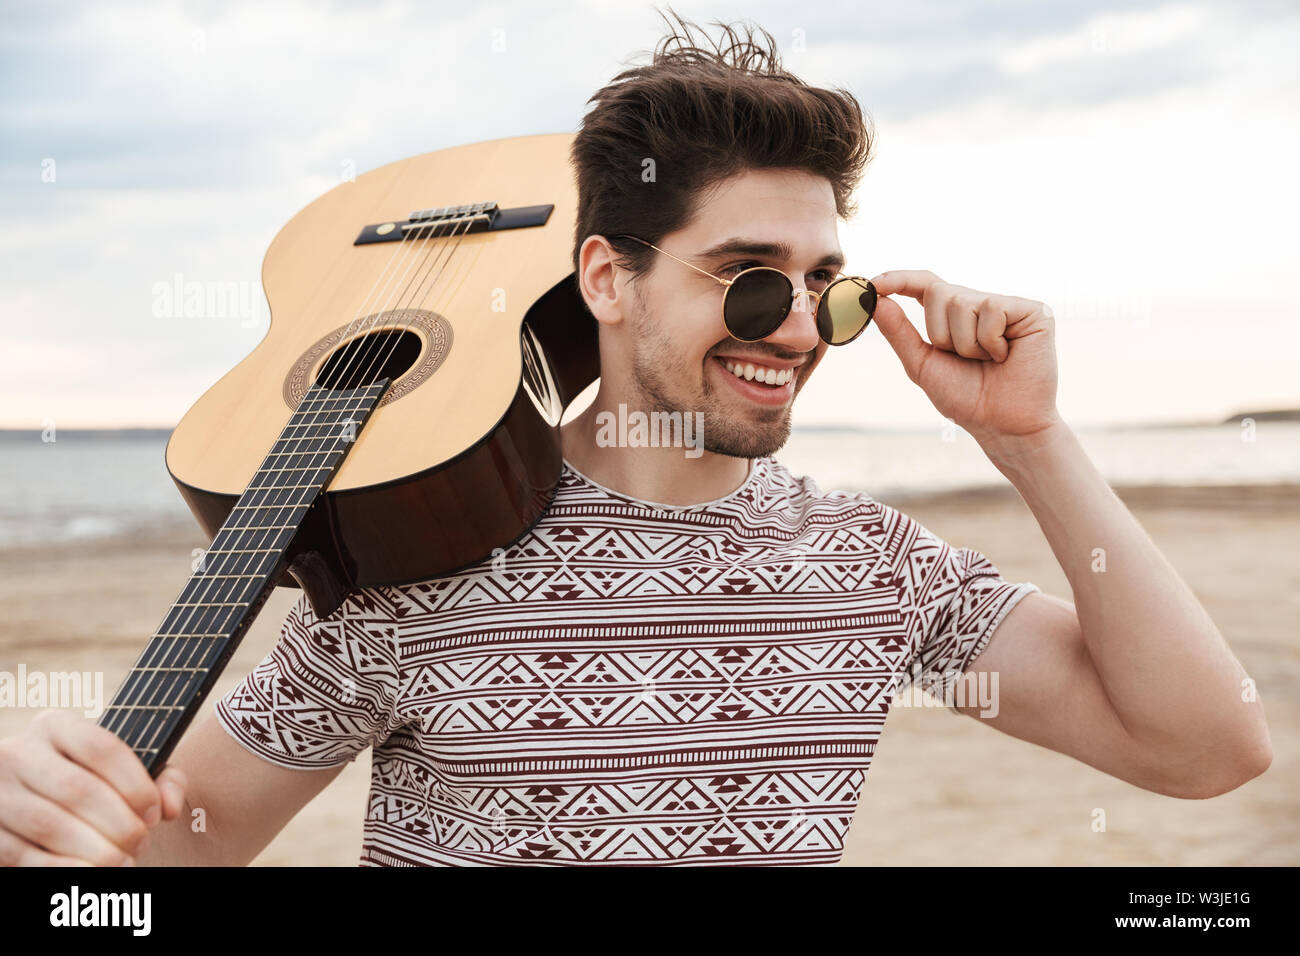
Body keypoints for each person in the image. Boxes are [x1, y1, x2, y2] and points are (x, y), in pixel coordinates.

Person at [0, 12, 1271, 867]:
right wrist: (41, 807)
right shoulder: (410, 563)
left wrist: (1033, 439)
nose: (796, 329)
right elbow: (146, 870)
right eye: (747, 276)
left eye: (826, 285)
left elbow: (1207, 747)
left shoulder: (873, 563)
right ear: (606, 280)